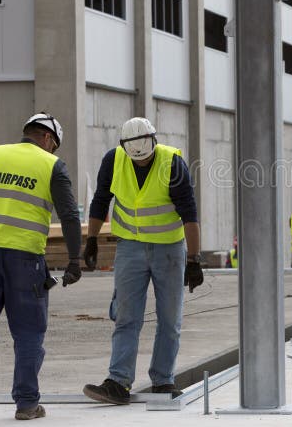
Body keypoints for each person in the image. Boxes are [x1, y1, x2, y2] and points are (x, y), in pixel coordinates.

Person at [0, 113, 83, 422]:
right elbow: (70, 217)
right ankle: (26, 403)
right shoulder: (52, 165)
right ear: (48, 139)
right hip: (25, 260)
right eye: (54, 146)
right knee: (28, 333)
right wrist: (74, 260)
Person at [82, 117, 203, 405]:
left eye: (146, 157)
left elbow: (189, 212)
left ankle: (163, 382)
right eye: (136, 158)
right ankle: (118, 382)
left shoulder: (172, 164)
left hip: (169, 250)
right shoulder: (114, 161)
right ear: (124, 148)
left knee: (169, 319)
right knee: (126, 317)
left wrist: (195, 259)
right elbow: (100, 200)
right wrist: (91, 239)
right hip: (130, 249)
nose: (141, 162)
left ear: (154, 142)